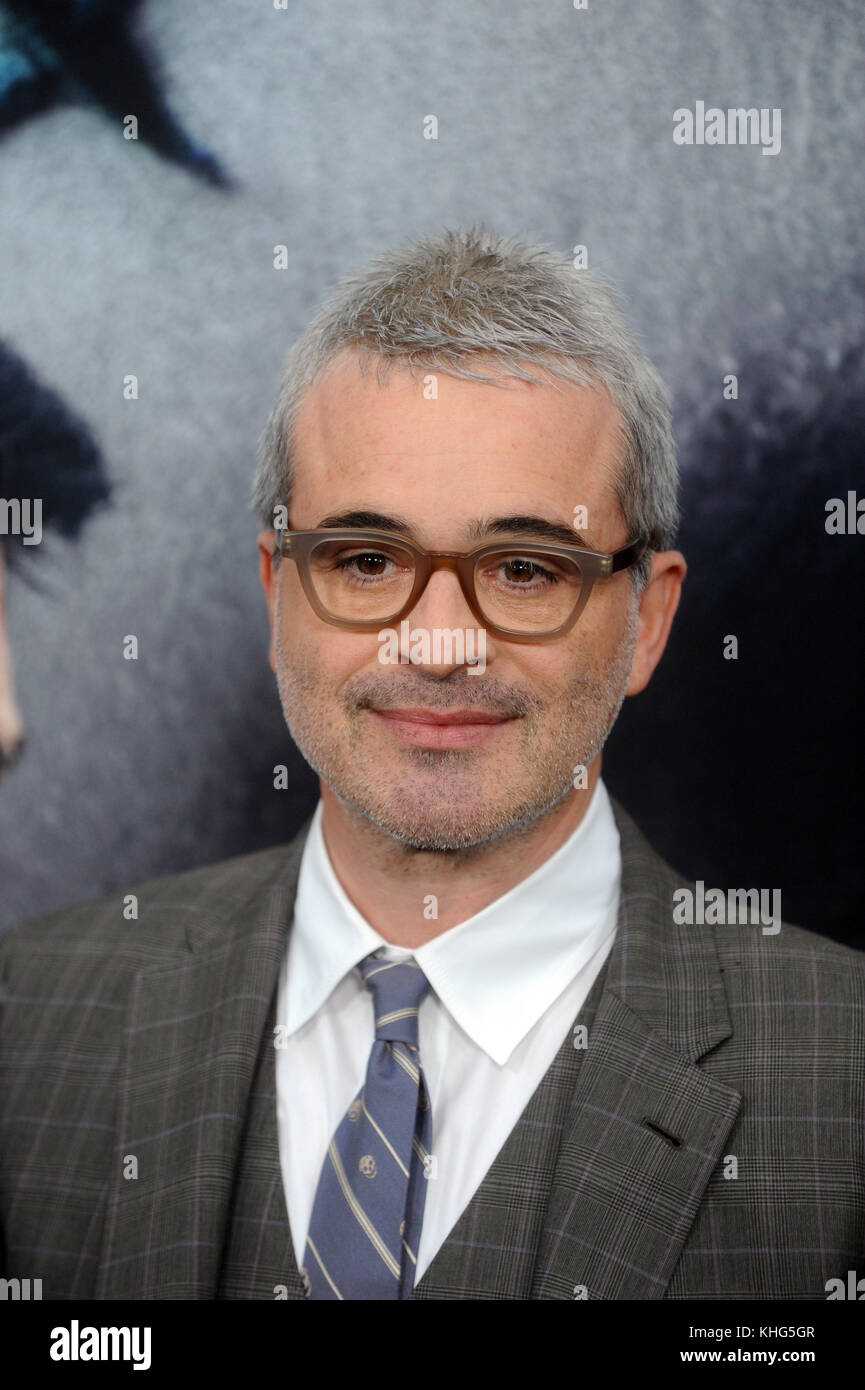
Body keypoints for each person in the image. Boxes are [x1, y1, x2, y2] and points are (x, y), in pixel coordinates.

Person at [1, 226, 862, 1301]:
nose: (440, 642)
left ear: (646, 619)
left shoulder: (846, 1078)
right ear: (277, 596)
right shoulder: (22, 1020)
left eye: (524, 567)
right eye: (366, 560)